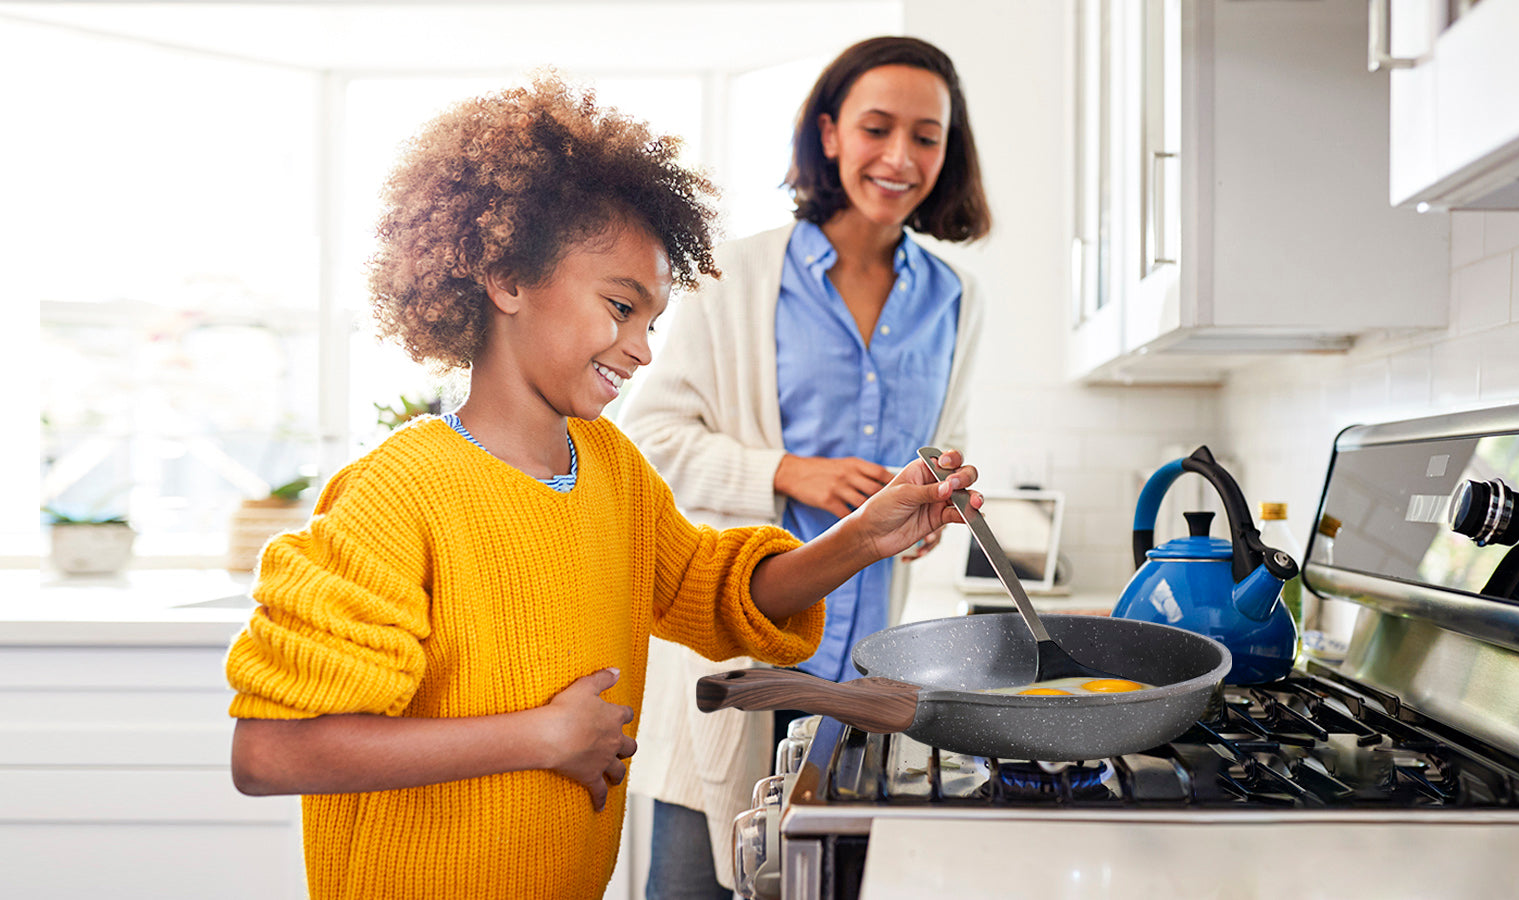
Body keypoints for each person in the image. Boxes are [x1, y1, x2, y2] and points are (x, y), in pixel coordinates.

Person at [222, 72, 981, 900]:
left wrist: (866, 536)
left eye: (651, 320)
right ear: (508, 278)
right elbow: (272, 752)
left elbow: (719, 590)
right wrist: (542, 737)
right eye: (619, 307)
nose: (642, 349)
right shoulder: (396, 495)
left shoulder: (608, 466)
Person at [618, 36, 991, 898]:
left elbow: (946, 444)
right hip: (736, 669)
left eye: (926, 136)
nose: (900, 158)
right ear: (829, 134)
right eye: (876, 127)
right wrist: (787, 471)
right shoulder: (735, 275)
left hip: (868, 680)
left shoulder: (957, 300)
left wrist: (933, 508)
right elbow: (649, 439)